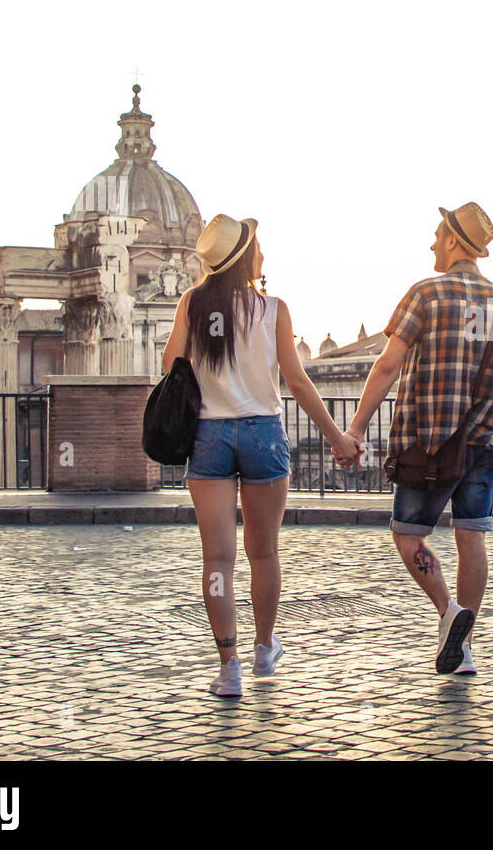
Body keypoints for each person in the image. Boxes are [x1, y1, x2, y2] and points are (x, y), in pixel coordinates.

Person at [163, 214, 361, 697]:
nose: (263, 254)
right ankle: (264, 646)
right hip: (263, 434)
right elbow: (296, 381)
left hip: (208, 435)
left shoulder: (193, 303)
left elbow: (169, 363)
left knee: (217, 558)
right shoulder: (273, 309)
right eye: (258, 247)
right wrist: (337, 437)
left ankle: (227, 666)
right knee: (264, 551)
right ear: (246, 257)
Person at [335, 202, 493, 676]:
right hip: (485, 444)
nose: (430, 244)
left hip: (426, 442)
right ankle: (463, 649)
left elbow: (387, 365)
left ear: (451, 240)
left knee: (408, 535)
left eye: (435, 235)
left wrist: (357, 426)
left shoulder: (425, 294)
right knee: (473, 537)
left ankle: (448, 611)